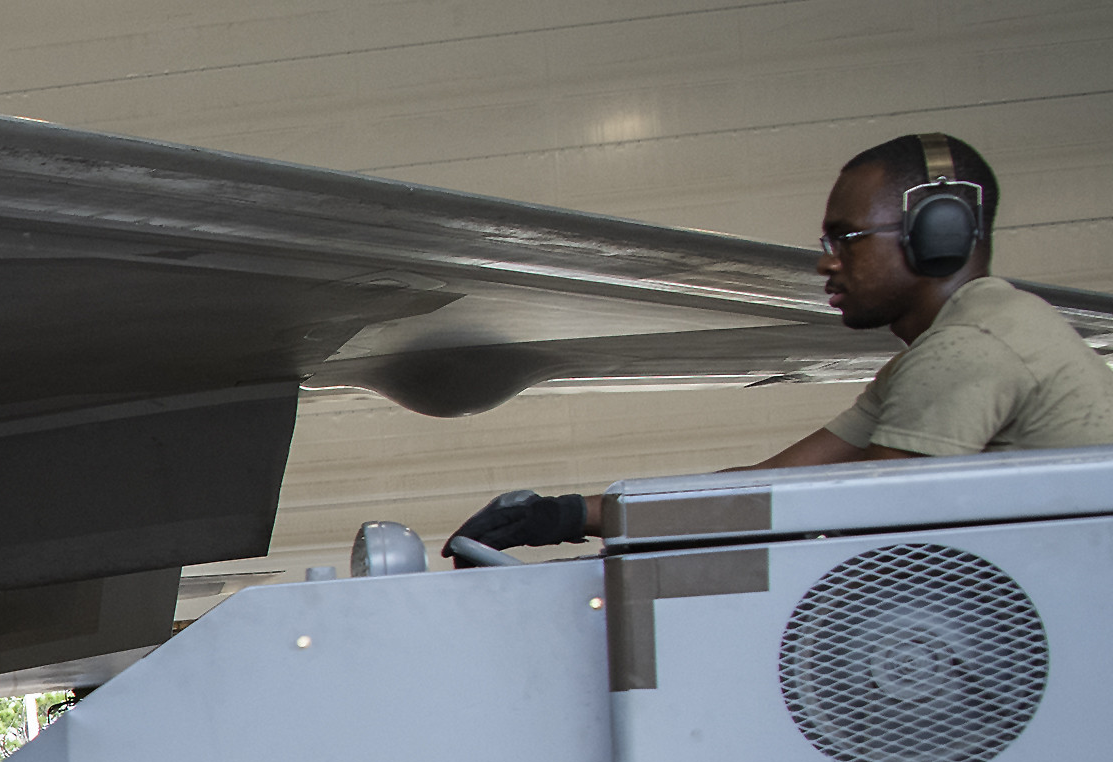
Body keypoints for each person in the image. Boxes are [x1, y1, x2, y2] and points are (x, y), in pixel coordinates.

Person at [453, 133, 1113, 557]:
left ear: (936, 235)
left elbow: (865, 535)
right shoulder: (957, 341)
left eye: (845, 240)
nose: (826, 263)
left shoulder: (967, 350)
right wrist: (571, 513)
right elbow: (779, 483)